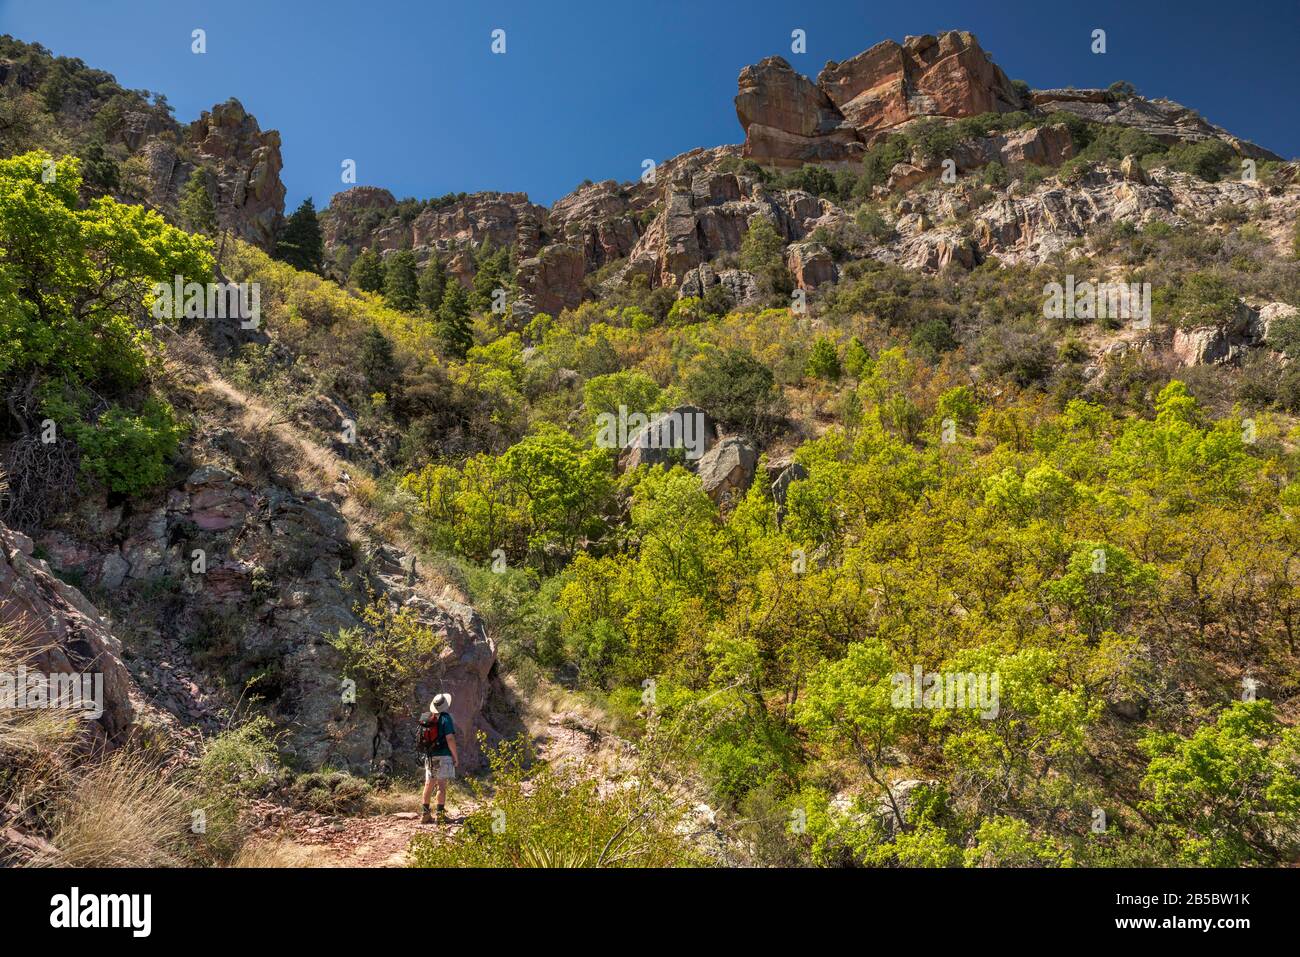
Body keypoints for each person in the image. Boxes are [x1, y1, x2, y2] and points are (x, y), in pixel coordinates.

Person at [420, 693, 459, 824]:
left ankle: (425, 814)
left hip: (430, 756)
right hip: (443, 755)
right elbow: (450, 738)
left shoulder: (428, 717)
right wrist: (455, 756)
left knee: (429, 783)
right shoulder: (445, 718)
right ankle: (440, 815)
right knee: (441, 785)